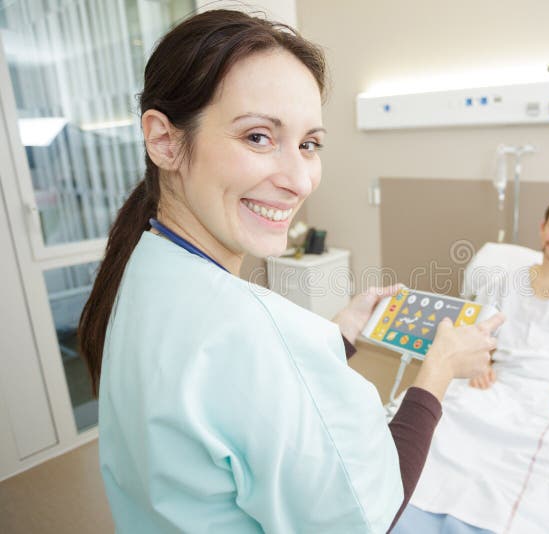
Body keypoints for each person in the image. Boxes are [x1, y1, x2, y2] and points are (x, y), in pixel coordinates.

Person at [77, 10, 503, 534]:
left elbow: (233, 401)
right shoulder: (254, 333)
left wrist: (339, 333)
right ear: (164, 140)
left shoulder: (143, 269)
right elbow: (369, 515)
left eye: (309, 144)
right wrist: (437, 369)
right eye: (258, 137)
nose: (300, 181)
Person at [392, 196, 549, 533]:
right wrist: (482, 364)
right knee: (446, 426)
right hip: (499, 381)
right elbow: (476, 331)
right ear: (542, 228)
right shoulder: (508, 281)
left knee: (548, 460)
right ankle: (403, 508)